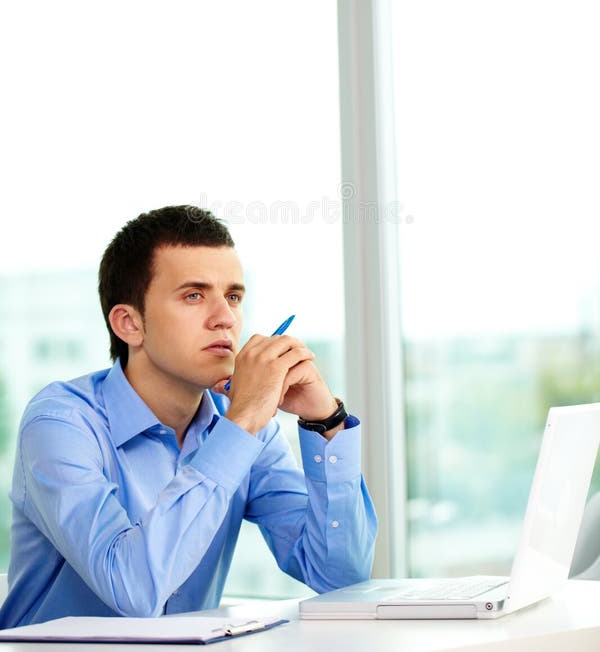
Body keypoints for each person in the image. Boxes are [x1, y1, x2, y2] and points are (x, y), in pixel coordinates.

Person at [0, 205, 377, 627]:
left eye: (233, 296)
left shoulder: (242, 428)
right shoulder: (60, 423)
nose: (225, 318)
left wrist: (325, 422)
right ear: (129, 324)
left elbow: (339, 576)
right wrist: (244, 421)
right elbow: (133, 589)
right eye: (194, 295)